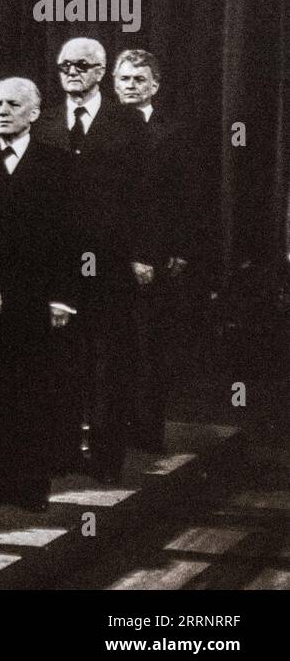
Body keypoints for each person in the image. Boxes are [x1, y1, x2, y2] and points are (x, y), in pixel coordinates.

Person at [32, 37, 151, 482]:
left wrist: (142, 253)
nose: (72, 72)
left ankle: (105, 458)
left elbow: (144, 194)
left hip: (109, 257)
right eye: (64, 65)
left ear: (101, 71)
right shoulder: (42, 124)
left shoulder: (127, 123)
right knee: (60, 357)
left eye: (82, 65)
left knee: (107, 357)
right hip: (56, 261)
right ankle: (61, 451)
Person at [0, 78, 77, 512]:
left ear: (34, 113)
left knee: (34, 389)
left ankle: (32, 486)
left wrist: (63, 297)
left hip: (37, 296)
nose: (3, 111)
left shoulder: (58, 163)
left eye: (13, 104)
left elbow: (71, 236)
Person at [113, 48, 201, 452]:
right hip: (108, 255)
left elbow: (186, 197)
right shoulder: (99, 128)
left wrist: (177, 249)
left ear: (155, 85)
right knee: (112, 347)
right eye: (124, 79)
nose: (130, 86)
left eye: (138, 79)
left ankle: (145, 432)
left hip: (159, 253)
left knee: (151, 344)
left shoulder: (175, 131)